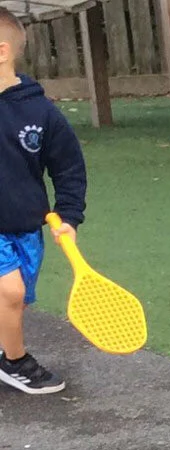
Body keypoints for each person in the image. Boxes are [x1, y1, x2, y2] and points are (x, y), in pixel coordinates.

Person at [0, 8, 85, 395]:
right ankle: (15, 362)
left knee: (18, 300)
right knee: (11, 293)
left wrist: (69, 214)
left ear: (2, 51)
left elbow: (67, 167)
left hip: (26, 227)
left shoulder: (41, 113)